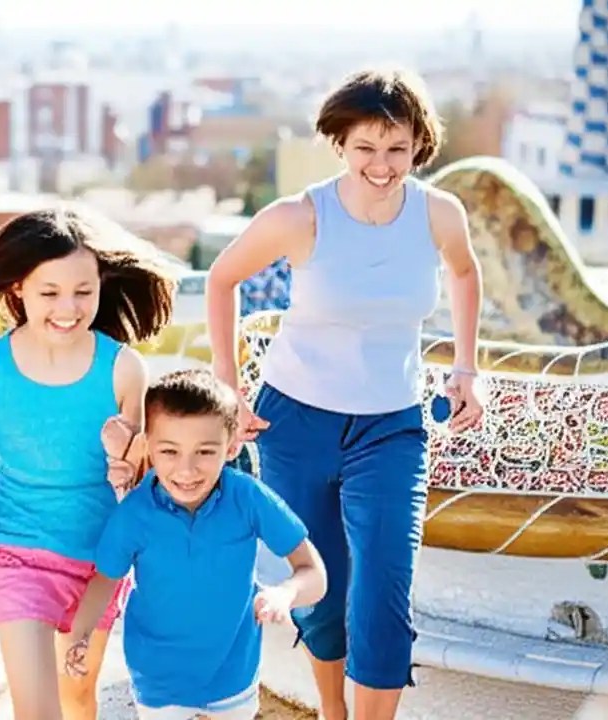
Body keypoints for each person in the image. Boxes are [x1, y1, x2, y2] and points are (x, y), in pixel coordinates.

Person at [205, 65, 485, 720]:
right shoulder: (300, 217)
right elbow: (222, 279)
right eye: (365, 148)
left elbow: (466, 273)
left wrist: (467, 366)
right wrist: (228, 381)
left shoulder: (438, 214)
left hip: (391, 428)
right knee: (323, 593)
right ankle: (332, 711)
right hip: (294, 425)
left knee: (384, 592)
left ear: (419, 142)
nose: (382, 165)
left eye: (396, 147)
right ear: (340, 145)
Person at [0, 207, 177, 720]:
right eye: (49, 293)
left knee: (76, 697)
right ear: (18, 292)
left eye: (83, 291)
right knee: (37, 709)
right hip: (15, 550)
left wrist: (131, 453)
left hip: (96, 561)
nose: (68, 308)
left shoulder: (123, 368)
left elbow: (137, 473)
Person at [64, 368, 326, 720]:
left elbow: (315, 574)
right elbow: (105, 579)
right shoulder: (134, 514)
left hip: (234, 675)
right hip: (157, 680)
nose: (186, 471)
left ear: (231, 447)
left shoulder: (248, 499)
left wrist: (286, 594)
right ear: (149, 448)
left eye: (204, 451)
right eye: (170, 451)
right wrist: (80, 635)